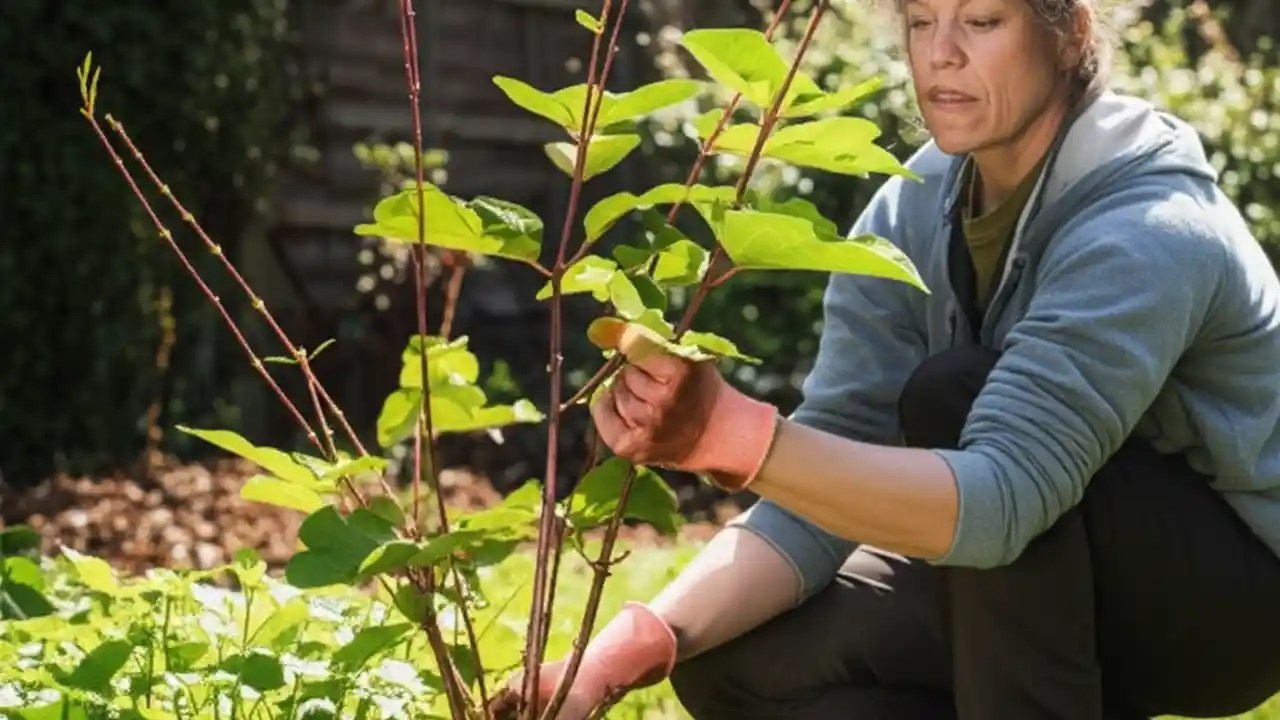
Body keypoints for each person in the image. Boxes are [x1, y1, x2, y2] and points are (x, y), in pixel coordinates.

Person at [509, 0, 1280, 717]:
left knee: (955, 393)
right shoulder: (914, 206)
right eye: (919, 21)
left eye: (980, 20)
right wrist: (624, 651)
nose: (941, 54)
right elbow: (830, 464)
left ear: (1069, 35)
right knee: (730, 665)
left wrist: (729, 436)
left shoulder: (1151, 230)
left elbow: (1003, 498)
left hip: (1234, 601)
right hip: (1041, 570)